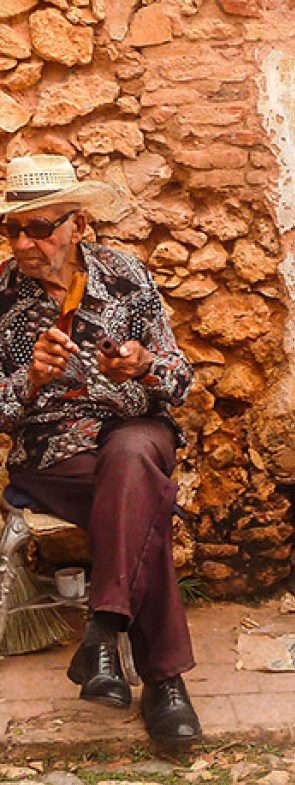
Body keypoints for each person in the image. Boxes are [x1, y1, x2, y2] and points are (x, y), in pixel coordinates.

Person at [0, 155, 200, 742]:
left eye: (41, 228)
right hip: (55, 454)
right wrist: (28, 381)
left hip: (135, 429)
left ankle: (103, 631)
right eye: (14, 230)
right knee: (145, 505)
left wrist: (144, 366)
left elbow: (180, 382)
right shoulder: (2, 300)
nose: (24, 243)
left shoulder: (125, 276)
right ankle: (164, 683)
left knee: (134, 455)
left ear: (79, 226)